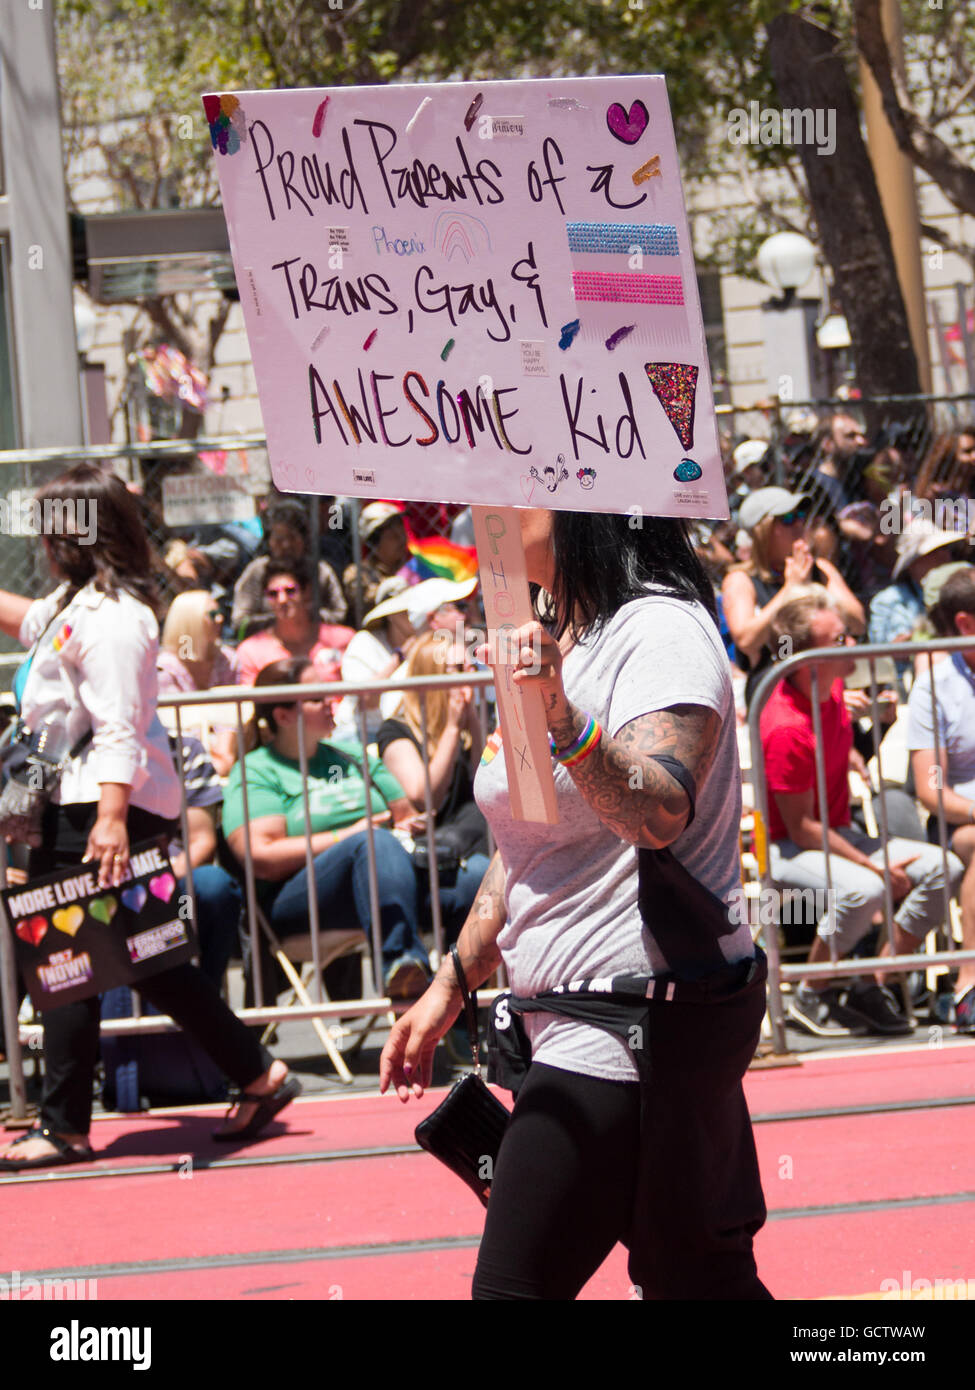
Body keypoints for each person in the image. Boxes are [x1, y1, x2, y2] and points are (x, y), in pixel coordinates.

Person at [380, 508, 770, 1301]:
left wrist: (559, 714)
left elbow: (655, 813)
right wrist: (451, 983)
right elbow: (526, 843)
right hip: (576, 1024)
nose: (483, 511)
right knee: (701, 1284)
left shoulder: (658, 629)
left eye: (516, 486)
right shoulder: (566, 633)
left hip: (624, 1030)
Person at [0, 463, 300, 1171]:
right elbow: (27, 619)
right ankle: (258, 1073)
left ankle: (65, 1124)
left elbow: (119, 728)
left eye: (52, 528)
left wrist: (107, 819)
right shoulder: (78, 606)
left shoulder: (115, 620)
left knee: (66, 955)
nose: (42, 541)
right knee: (144, 959)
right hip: (84, 802)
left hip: (102, 808)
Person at [761, 587, 961, 1038]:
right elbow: (803, 828)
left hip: (839, 834)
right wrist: (873, 864)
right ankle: (812, 994)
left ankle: (872, 980)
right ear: (809, 659)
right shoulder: (786, 727)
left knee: (944, 866)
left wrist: (851, 749)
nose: (854, 644)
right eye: (841, 640)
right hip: (790, 845)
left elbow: (830, 746)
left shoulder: (831, 691)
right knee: (867, 887)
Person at [222, 657, 432, 999]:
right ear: (283, 715)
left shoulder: (353, 756)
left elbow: (405, 815)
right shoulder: (257, 770)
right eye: (317, 697)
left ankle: (464, 1022)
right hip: (301, 901)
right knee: (373, 843)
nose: (331, 701)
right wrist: (349, 835)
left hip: (386, 881)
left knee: (471, 879)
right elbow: (260, 855)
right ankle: (403, 968)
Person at [377, 631, 490, 943]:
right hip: (424, 860)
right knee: (482, 876)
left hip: (466, 850)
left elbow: (489, 782)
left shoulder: (470, 727)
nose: (468, 678)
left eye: (470, 668)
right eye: (456, 670)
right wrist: (453, 728)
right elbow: (426, 798)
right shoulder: (396, 731)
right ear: (430, 678)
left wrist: (474, 723)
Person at [907, 566, 975, 1034]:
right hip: (960, 820)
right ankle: (970, 984)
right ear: (966, 624)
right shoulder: (933, 687)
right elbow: (932, 791)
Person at [722, 486, 865, 706]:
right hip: (776, 697)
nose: (799, 524)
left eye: (801, 516)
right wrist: (791, 589)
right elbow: (747, 641)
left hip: (830, 689)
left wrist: (813, 585)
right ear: (763, 531)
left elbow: (857, 623)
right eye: (787, 519)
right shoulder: (741, 579)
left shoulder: (820, 569)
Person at [332, 575, 478, 743]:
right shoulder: (365, 642)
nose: (410, 615)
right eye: (403, 611)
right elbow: (366, 700)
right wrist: (400, 657)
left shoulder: (438, 653)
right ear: (391, 616)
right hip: (358, 738)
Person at [235, 557, 354, 688]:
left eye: (290, 591)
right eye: (273, 594)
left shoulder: (344, 639)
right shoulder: (251, 651)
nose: (282, 600)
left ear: (306, 592)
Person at [231, 498, 347, 633]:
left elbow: (340, 614)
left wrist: (308, 616)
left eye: (292, 537)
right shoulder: (258, 571)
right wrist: (281, 619)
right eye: (279, 539)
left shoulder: (319, 571)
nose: (286, 545)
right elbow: (240, 621)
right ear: (269, 541)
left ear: (304, 539)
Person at [158, 589, 239, 775]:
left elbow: (230, 715)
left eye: (221, 613)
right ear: (189, 620)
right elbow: (177, 725)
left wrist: (224, 753)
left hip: (226, 748)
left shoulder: (227, 660)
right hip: (184, 755)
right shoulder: (166, 668)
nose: (220, 619)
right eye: (212, 614)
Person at [342, 502, 409, 618]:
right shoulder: (357, 573)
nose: (402, 540)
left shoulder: (412, 568)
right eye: (393, 536)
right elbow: (363, 602)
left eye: (402, 532)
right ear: (373, 543)